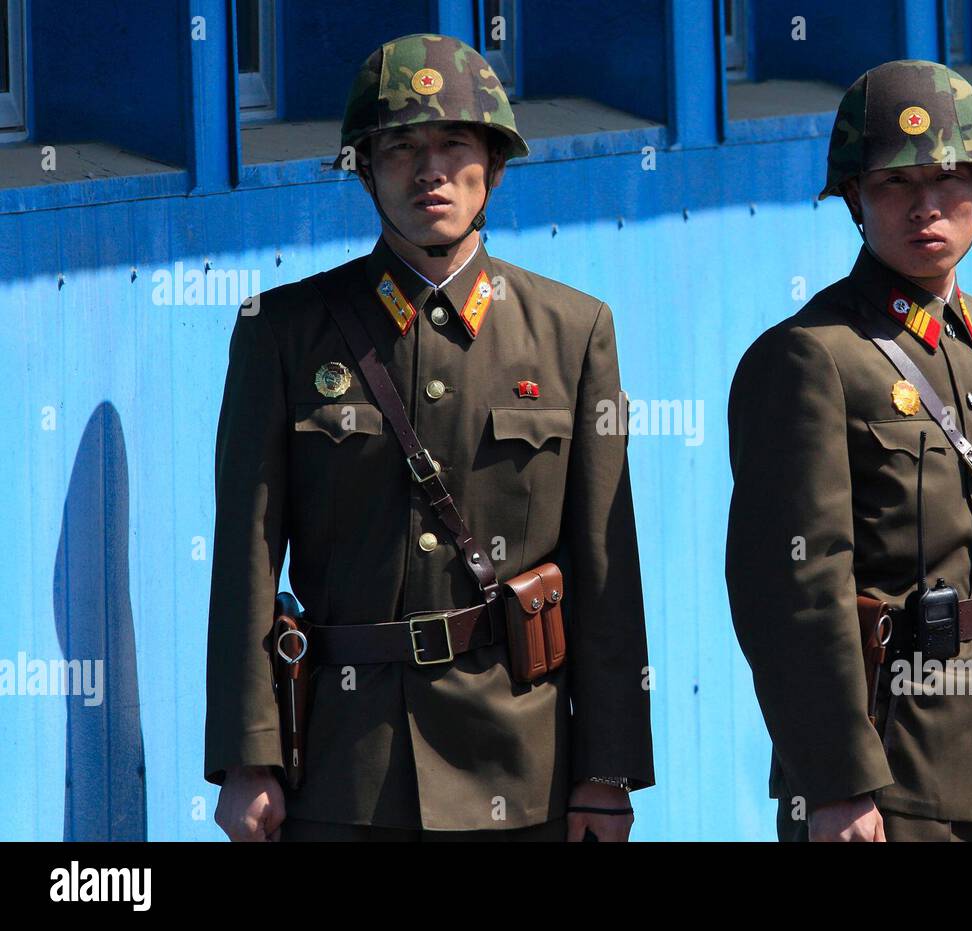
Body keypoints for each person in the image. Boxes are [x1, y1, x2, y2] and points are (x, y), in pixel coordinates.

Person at [205, 33, 653, 842]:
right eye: (401, 148)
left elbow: (605, 571)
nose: (429, 170)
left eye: (454, 143)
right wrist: (249, 759)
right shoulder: (284, 333)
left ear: (495, 166)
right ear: (367, 171)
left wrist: (606, 770)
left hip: (524, 767)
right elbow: (247, 555)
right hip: (346, 769)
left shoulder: (572, 332)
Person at [725, 59, 972, 843]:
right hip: (889, 776)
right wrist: (837, 784)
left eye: (949, 179)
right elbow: (791, 594)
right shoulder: (811, 356)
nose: (926, 206)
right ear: (854, 200)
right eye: (893, 185)